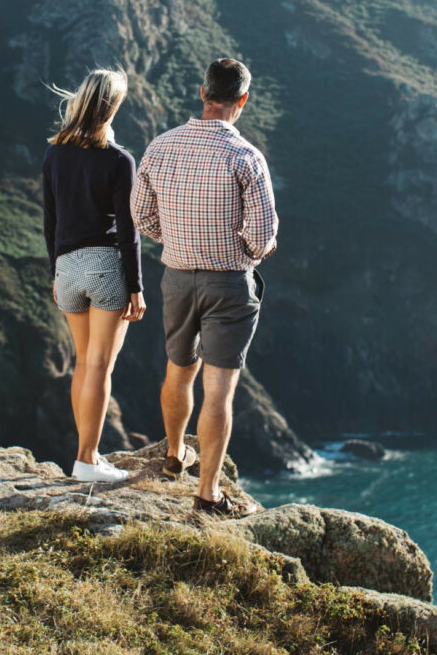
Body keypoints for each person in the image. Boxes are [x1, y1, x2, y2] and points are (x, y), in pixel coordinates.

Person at [131, 58, 278, 514]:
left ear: (202, 92)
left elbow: (141, 217)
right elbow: (262, 237)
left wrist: (176, 238)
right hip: (229, 284)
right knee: (219, 390)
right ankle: (208, 494)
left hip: (176, 277)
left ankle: (175, 454)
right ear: (243, 101)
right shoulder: (247, 158)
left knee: (178, 369)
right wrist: (251, 254)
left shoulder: (161, 146)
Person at [42, 68, 146, 483]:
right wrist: (136, 286)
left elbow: (50, 220)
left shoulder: (53, 153)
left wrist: (56, 271)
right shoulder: (119, 160)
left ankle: (87, 456)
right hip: (105, 268)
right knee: (101, 366)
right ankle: (87, 461)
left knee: (83, 364)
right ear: (112, 107)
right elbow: (128, 229)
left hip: (66, 269)